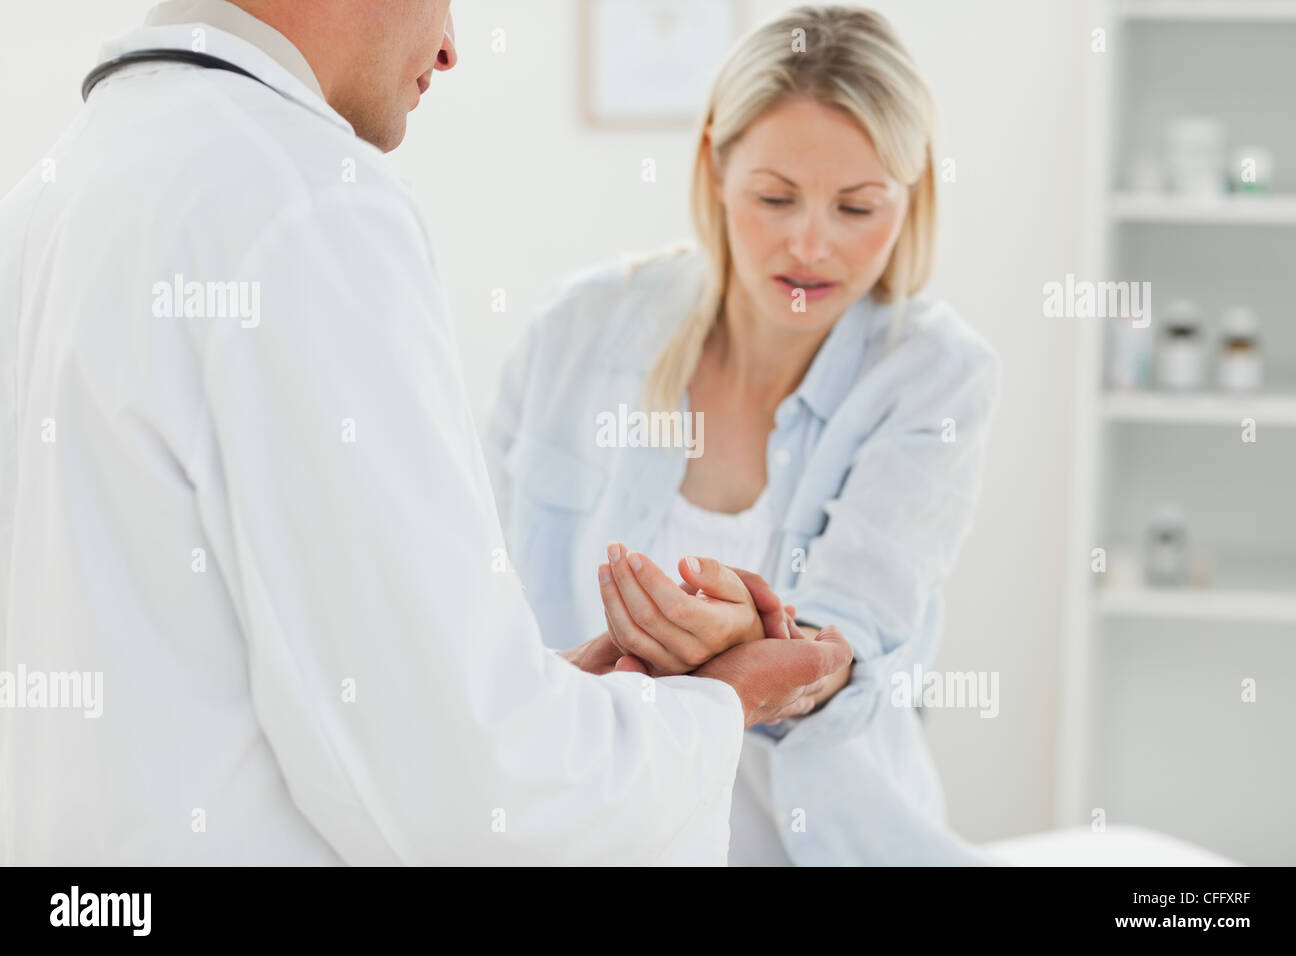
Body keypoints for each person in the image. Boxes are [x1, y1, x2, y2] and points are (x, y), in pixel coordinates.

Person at [0, 0, 851, 865]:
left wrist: (552, 692)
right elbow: (471, 797)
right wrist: (721, 706)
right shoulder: (307, 204)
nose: (448, 48)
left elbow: (261, 680)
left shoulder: (55, 192)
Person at [487, 5, 1001, 865]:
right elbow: (481, 596)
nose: (810, 242)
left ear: (912, 198)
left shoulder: (936, 375)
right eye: (775, 196)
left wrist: (763, 658)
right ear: (714, 169)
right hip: (591, 839)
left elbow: (850, 639)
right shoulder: (577, 330)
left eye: (856, 206)